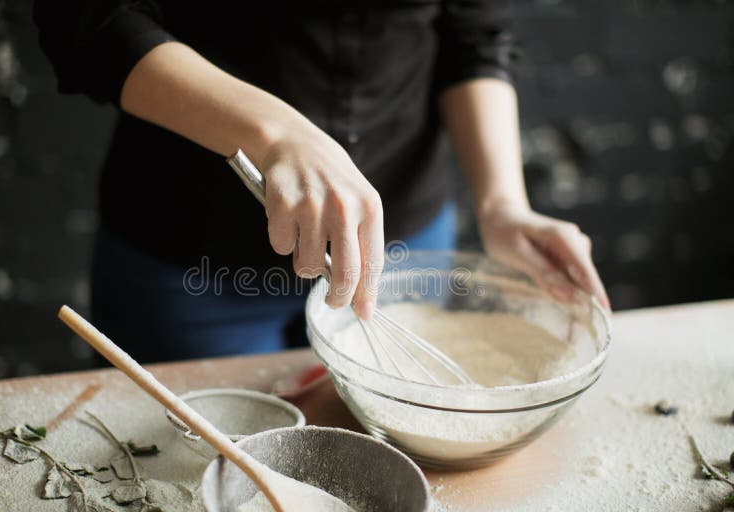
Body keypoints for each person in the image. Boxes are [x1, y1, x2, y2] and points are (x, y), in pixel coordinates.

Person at [34, 1, 610, 362]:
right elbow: (88, 18)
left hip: (399, 249)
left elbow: (474, 31)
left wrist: (502, 203)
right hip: (190, 259)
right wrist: (275, 132)